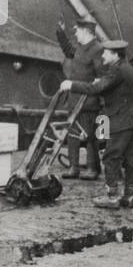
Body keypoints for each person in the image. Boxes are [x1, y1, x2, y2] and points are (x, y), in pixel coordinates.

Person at [61, 39, 133, 209]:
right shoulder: (128, 69)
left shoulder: (117, 70)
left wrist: (71, 85)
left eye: (106, 52)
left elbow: (96, 89)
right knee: (130, 160)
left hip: (120, 122)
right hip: (132, 121)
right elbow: (105, 86)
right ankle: (129, 196)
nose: (103, 55)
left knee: (111, 157)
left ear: (114, 55)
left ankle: (112, 197)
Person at [55, 13, 104, 180]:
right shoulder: (80, 48)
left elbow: (99, 78)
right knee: (73, 134)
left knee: (90, 135)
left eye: (77, 31)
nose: (75, 34)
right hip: (74, 99)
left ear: (87, 32)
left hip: (89, 101)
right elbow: (69, 51)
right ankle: (73, 167)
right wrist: (61, 33)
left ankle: (92, 168)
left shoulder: (98, 49)